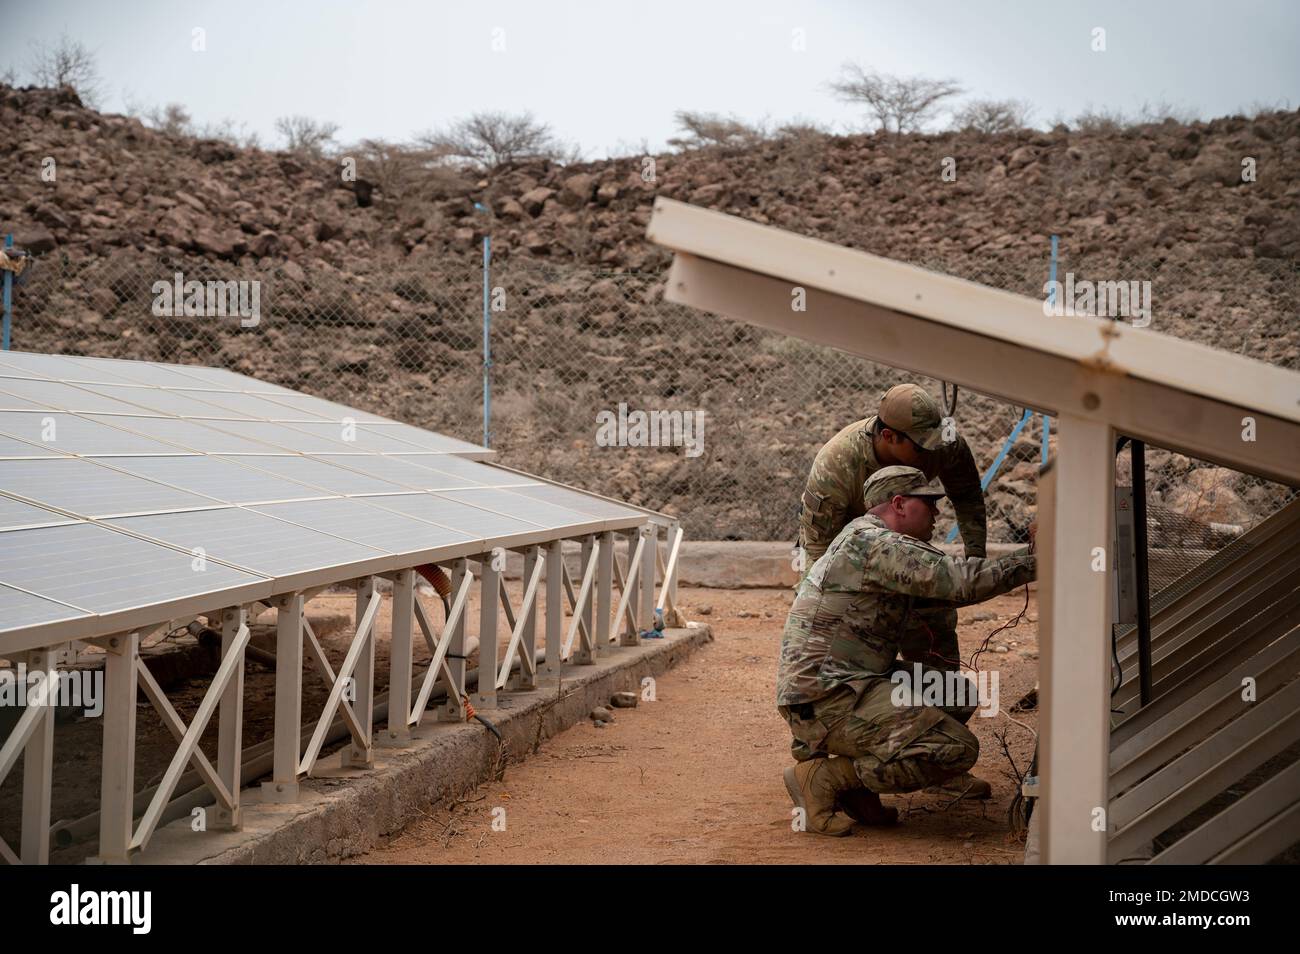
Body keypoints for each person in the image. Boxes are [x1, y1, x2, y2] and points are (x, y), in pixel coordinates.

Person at [777, 466, 1036, 836]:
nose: (936, 513)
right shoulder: (877, 546)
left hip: (846, 683)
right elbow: (960, 581)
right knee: (957, 748)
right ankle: (826, 778)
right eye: (928, 503)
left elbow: (944, 593)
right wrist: (1037, 561)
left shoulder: (869, 541)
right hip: (828, 698)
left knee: (956, 694)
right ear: (898, 504)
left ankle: (861, 788)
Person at [797, 381, 992, 797]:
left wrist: (974, 559)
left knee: (939, 652)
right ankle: (821, 757)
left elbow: (968, 497)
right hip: (850, 574)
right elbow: (817, 551)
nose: (931, 453)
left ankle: (936, 758)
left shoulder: (941, 443)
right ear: (888, 437)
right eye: (920, 447)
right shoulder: (838, 463)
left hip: (909, 560)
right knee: (842, 660)